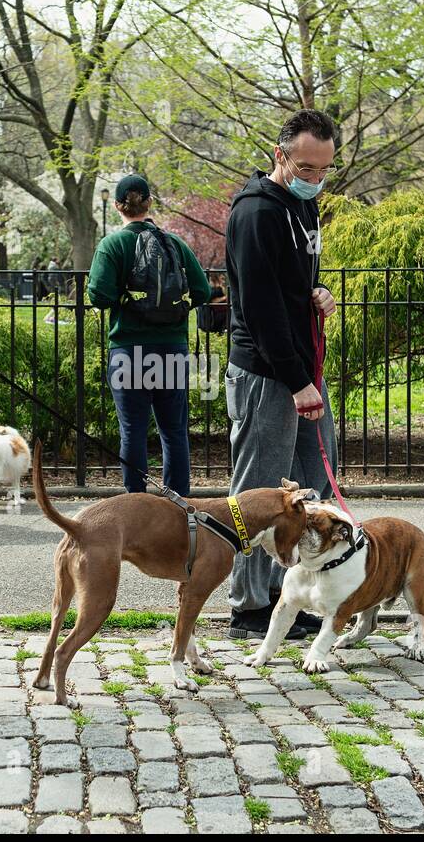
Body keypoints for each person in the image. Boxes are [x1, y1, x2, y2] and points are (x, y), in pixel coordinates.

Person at [224, 108, 340, 640]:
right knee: (259, 493)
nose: (315, 180)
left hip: (301, 369)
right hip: (269, 374)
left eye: (324, 170)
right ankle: (249, 605)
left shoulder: (303, 210)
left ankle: (288, 595)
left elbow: (290, 289)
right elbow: (260, 307)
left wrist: (316, 294)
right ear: (280, 155)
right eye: (306, 168)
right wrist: (297, 382)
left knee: (309, 486)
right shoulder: (256, 213)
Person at [88, 174, 211, 494]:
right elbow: (203, 291)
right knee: (174, 432)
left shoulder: (113, 245)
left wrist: (129, 302)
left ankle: (136, 506)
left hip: (129, 351)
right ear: (149, 203)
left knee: (132, 432)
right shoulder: (175, 245)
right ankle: (178, 507)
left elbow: (98, 296)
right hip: (172, 350)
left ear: (117, 206)